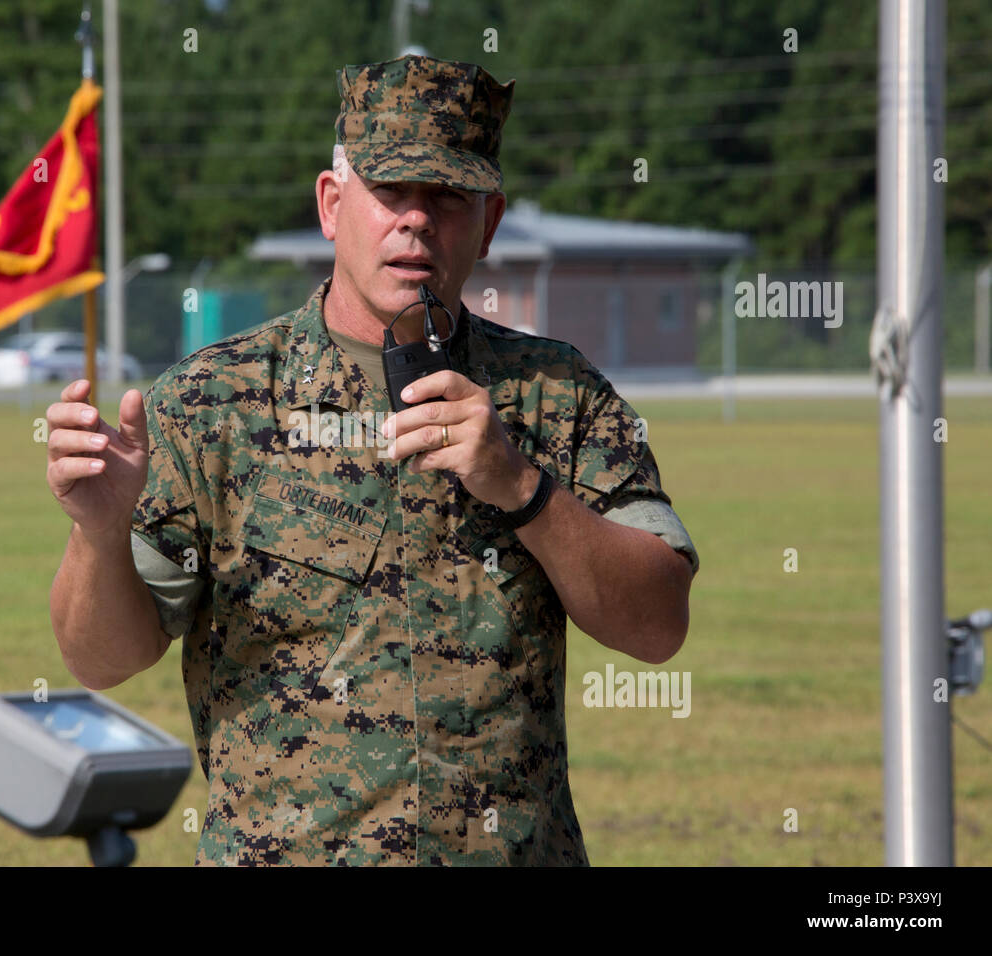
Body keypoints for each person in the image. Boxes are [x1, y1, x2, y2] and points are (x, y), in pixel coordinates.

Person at [47, 54, 699, 866]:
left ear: (489, 225)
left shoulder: (555, 395)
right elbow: (101, 658)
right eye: (391, 192)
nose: (417, 222)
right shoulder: (215, 401)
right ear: (332, 205)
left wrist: (522, 488)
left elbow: (658, 624)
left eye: (448, 198)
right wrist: (98, 536)